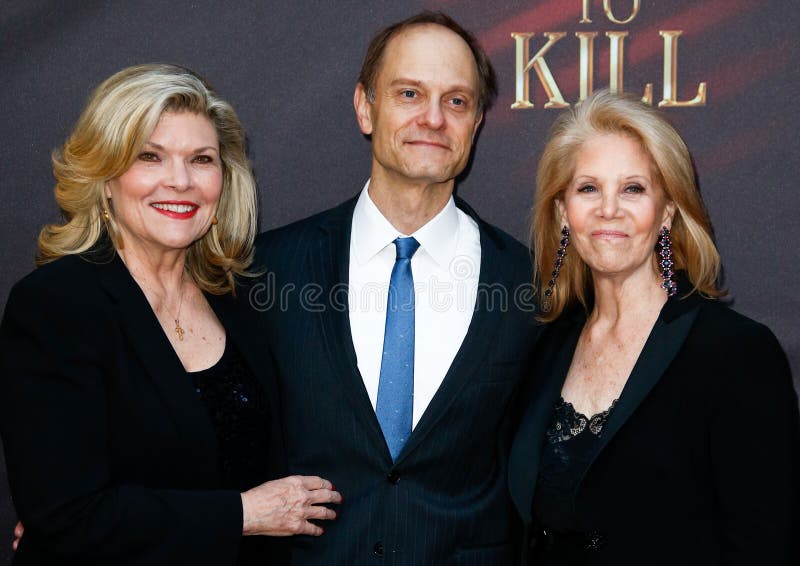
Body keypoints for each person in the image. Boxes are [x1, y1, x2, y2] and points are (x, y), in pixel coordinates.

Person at [0, 64, 341, 565]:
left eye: (201, 160)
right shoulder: (55, 306)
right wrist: (243, 514)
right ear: (105, 178)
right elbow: (67, 514)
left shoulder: (239, 300)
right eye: (150, 156)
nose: (180, 182)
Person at [243, 11, 540, 565]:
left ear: (476, 122)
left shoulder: (530, 283)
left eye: (456, 101)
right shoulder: (269, 268)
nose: (434, 118)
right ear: (365, 106)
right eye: (409, 93)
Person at [508, 90, 800, 565]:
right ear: (562, 212)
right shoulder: (545, 345)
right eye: (588, 188)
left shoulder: (735, 353)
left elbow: (764, 546)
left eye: (633, 189)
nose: (609, 209)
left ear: (666, 211)